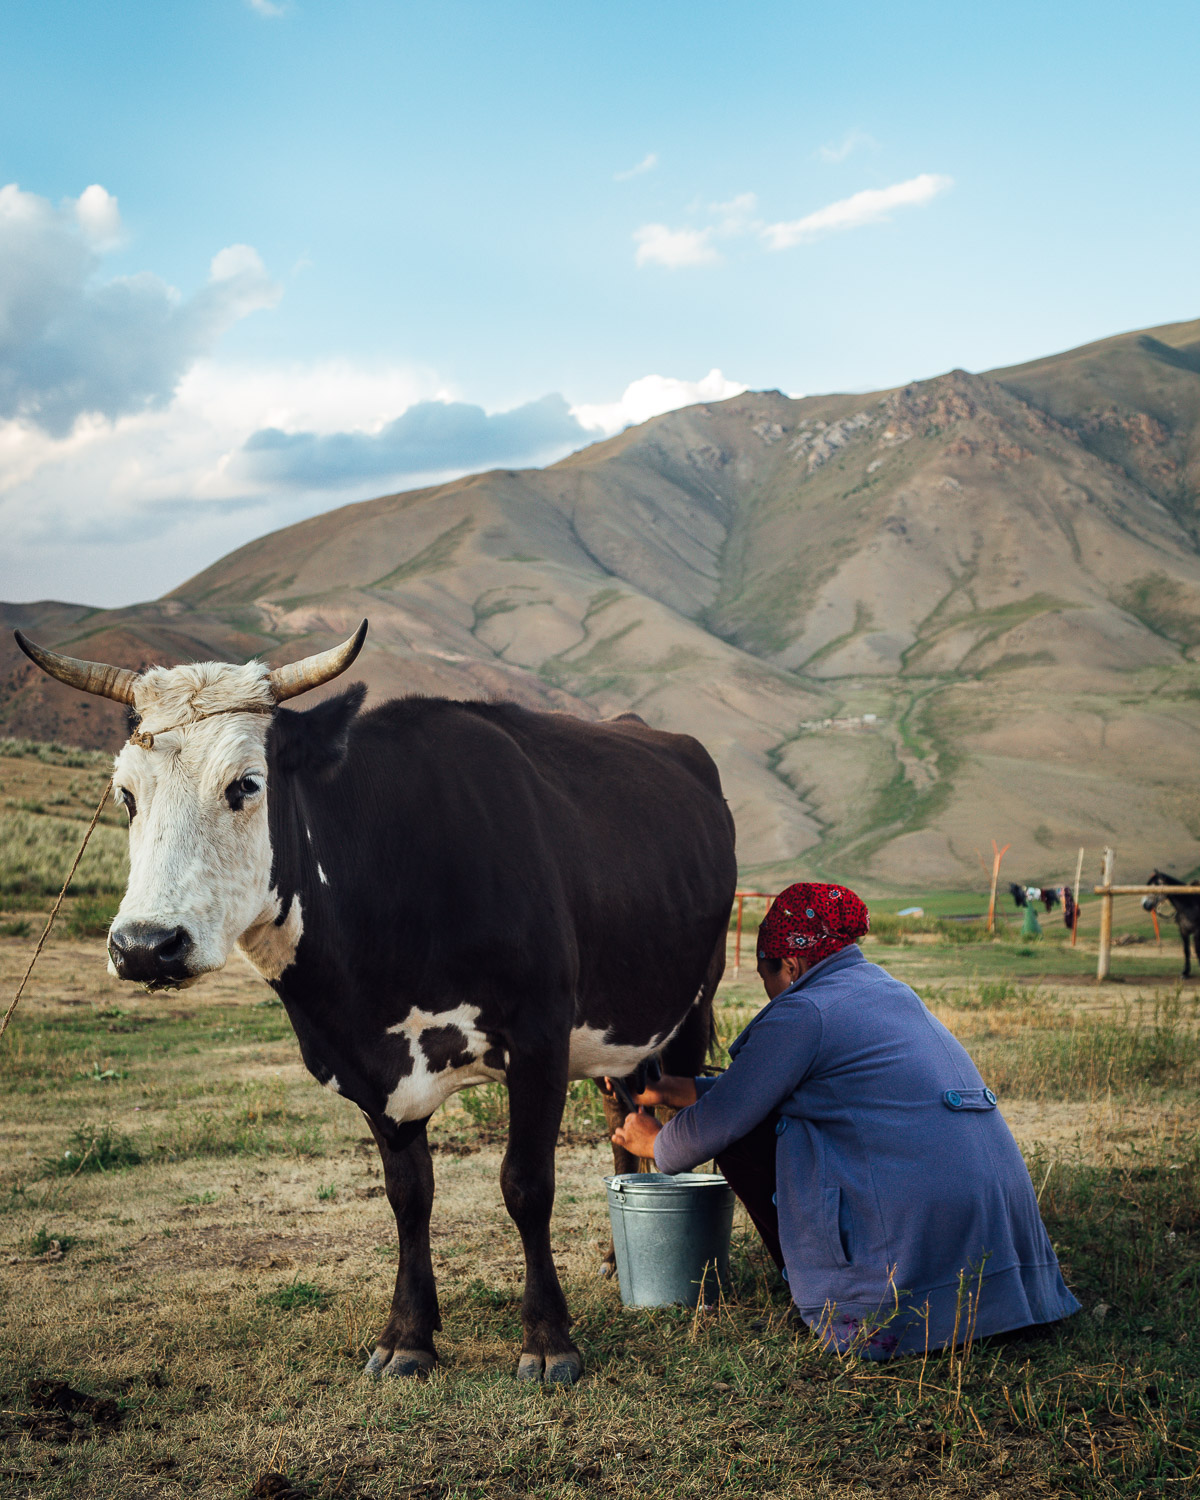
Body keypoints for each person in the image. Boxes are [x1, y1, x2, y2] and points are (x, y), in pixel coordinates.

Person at [612, 882, 1080, 1358]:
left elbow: (726, 1121)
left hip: (909, 1272)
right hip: (1010, 1267)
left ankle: (850, 1297)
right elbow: (779, 1087)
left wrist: (652, 1142)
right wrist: (675, 1089)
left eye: (765, 978)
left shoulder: (803, 1010)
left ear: (790, 966)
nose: (769, 993)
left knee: (743, 1138)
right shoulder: (887, 991)